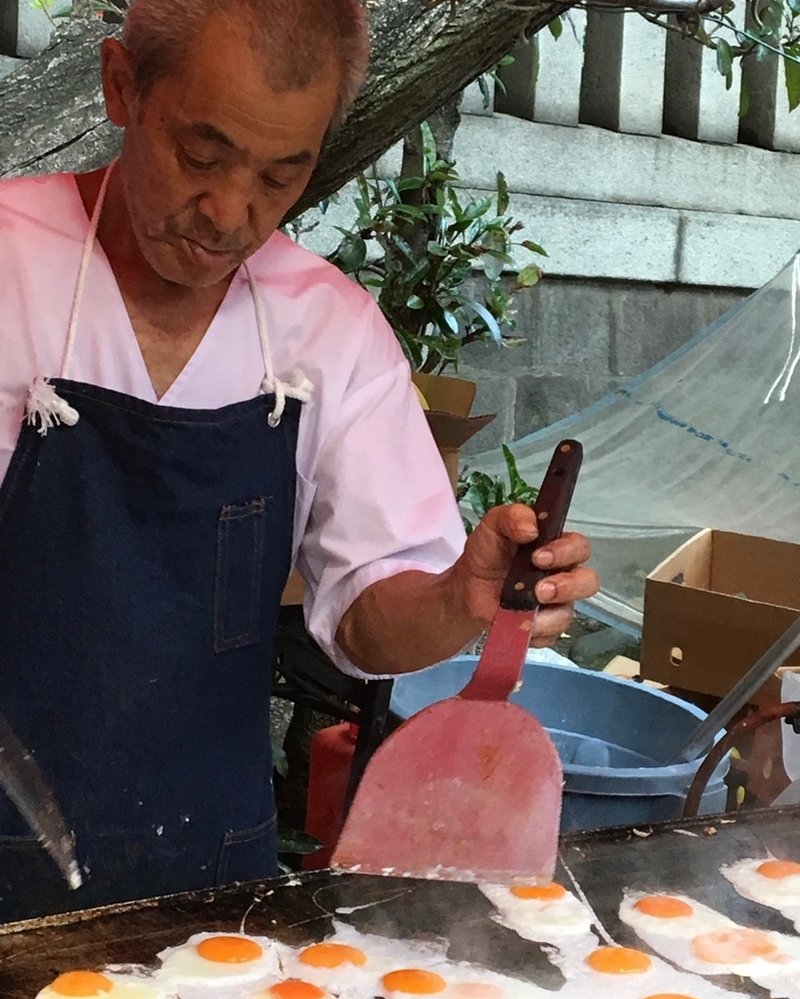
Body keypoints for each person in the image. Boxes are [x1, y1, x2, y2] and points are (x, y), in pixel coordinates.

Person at [0, 0, 598, 923]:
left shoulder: (328, 330)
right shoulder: (9, 260)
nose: (229, 215)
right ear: (123, 87)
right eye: (201, 157)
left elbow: (368, 622)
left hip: (211, 873)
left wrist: (458, 599)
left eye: (283, 175)